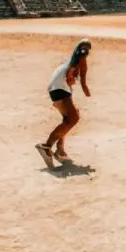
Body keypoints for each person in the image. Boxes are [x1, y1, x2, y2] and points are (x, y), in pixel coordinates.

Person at [36, 39, 92, 169]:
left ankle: (60, 150)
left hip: (55, 89)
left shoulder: (71, 61)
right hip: (60, 89)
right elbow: (80, 80)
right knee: (74, 118)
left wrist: (72, 79)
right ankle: (46, 146)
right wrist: (87, 91)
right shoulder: (80, 59)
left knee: (69, 118)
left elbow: (71, 75)